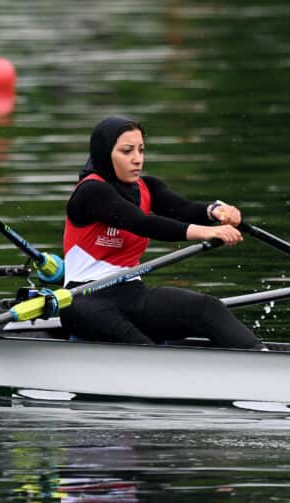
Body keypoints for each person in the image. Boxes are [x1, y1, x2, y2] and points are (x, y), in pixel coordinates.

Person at [59, 115, 262, 349]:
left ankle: (265, 360)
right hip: (82, 299)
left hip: (131, 292)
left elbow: (184, 209)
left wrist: (216, 210)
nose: (137, 159)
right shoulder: (91, 191)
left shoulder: (148, 187)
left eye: (141, 150)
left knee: (207, 307)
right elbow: (142, 223)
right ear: (105, 154)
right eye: (127, 151)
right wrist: (207, 232)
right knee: (139, 345)